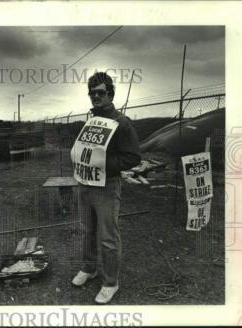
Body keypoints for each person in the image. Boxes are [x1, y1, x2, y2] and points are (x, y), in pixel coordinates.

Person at [71, 72, 141, 304]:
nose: (95, 96)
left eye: (100, 92)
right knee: (87, 230)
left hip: (106, 186)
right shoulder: (91, 119)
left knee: (108, 237)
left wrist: (105, 165)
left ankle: (111, 282)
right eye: (92, 93)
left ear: (110, 94)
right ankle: (89, 268)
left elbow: (133, 157)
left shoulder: (121, 122)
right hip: (85, 184)